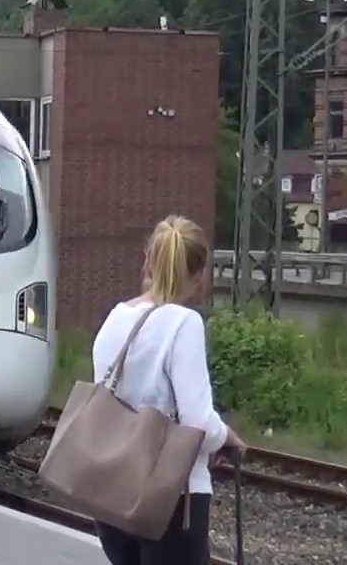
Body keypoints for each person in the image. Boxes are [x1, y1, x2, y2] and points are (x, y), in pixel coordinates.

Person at [91, 215, 247, 565]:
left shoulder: (114, 319)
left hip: (113, 496)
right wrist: (226, 437)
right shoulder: (184, 323)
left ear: (147, 260)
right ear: (200, 274)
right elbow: (197, 425)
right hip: (172, 502)